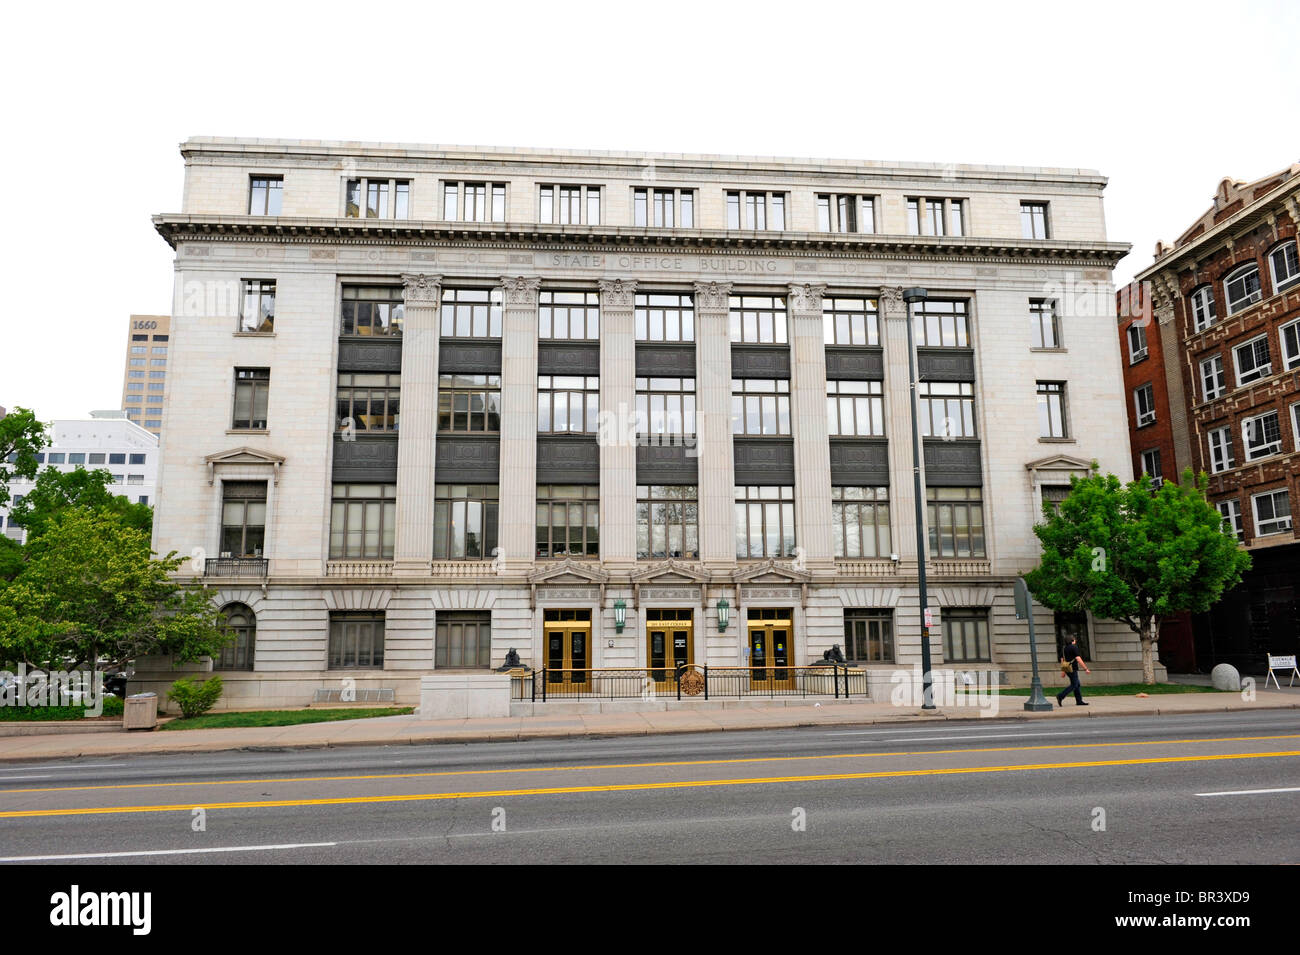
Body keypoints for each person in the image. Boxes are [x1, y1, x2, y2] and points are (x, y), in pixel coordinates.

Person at [1057, 635, 1091, 707]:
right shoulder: (1074, 647)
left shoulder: (1064, 648)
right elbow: (1078, 659)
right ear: (1072, 640)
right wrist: (1086, 668)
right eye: (1074, 640)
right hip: (1072, 669)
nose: (1075, 641)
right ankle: (1060, 696)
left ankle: (1079, 701)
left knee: (1077, 684)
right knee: (1074, 684)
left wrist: (1063, 671)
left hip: (1067, 669)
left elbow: (1062, 660)